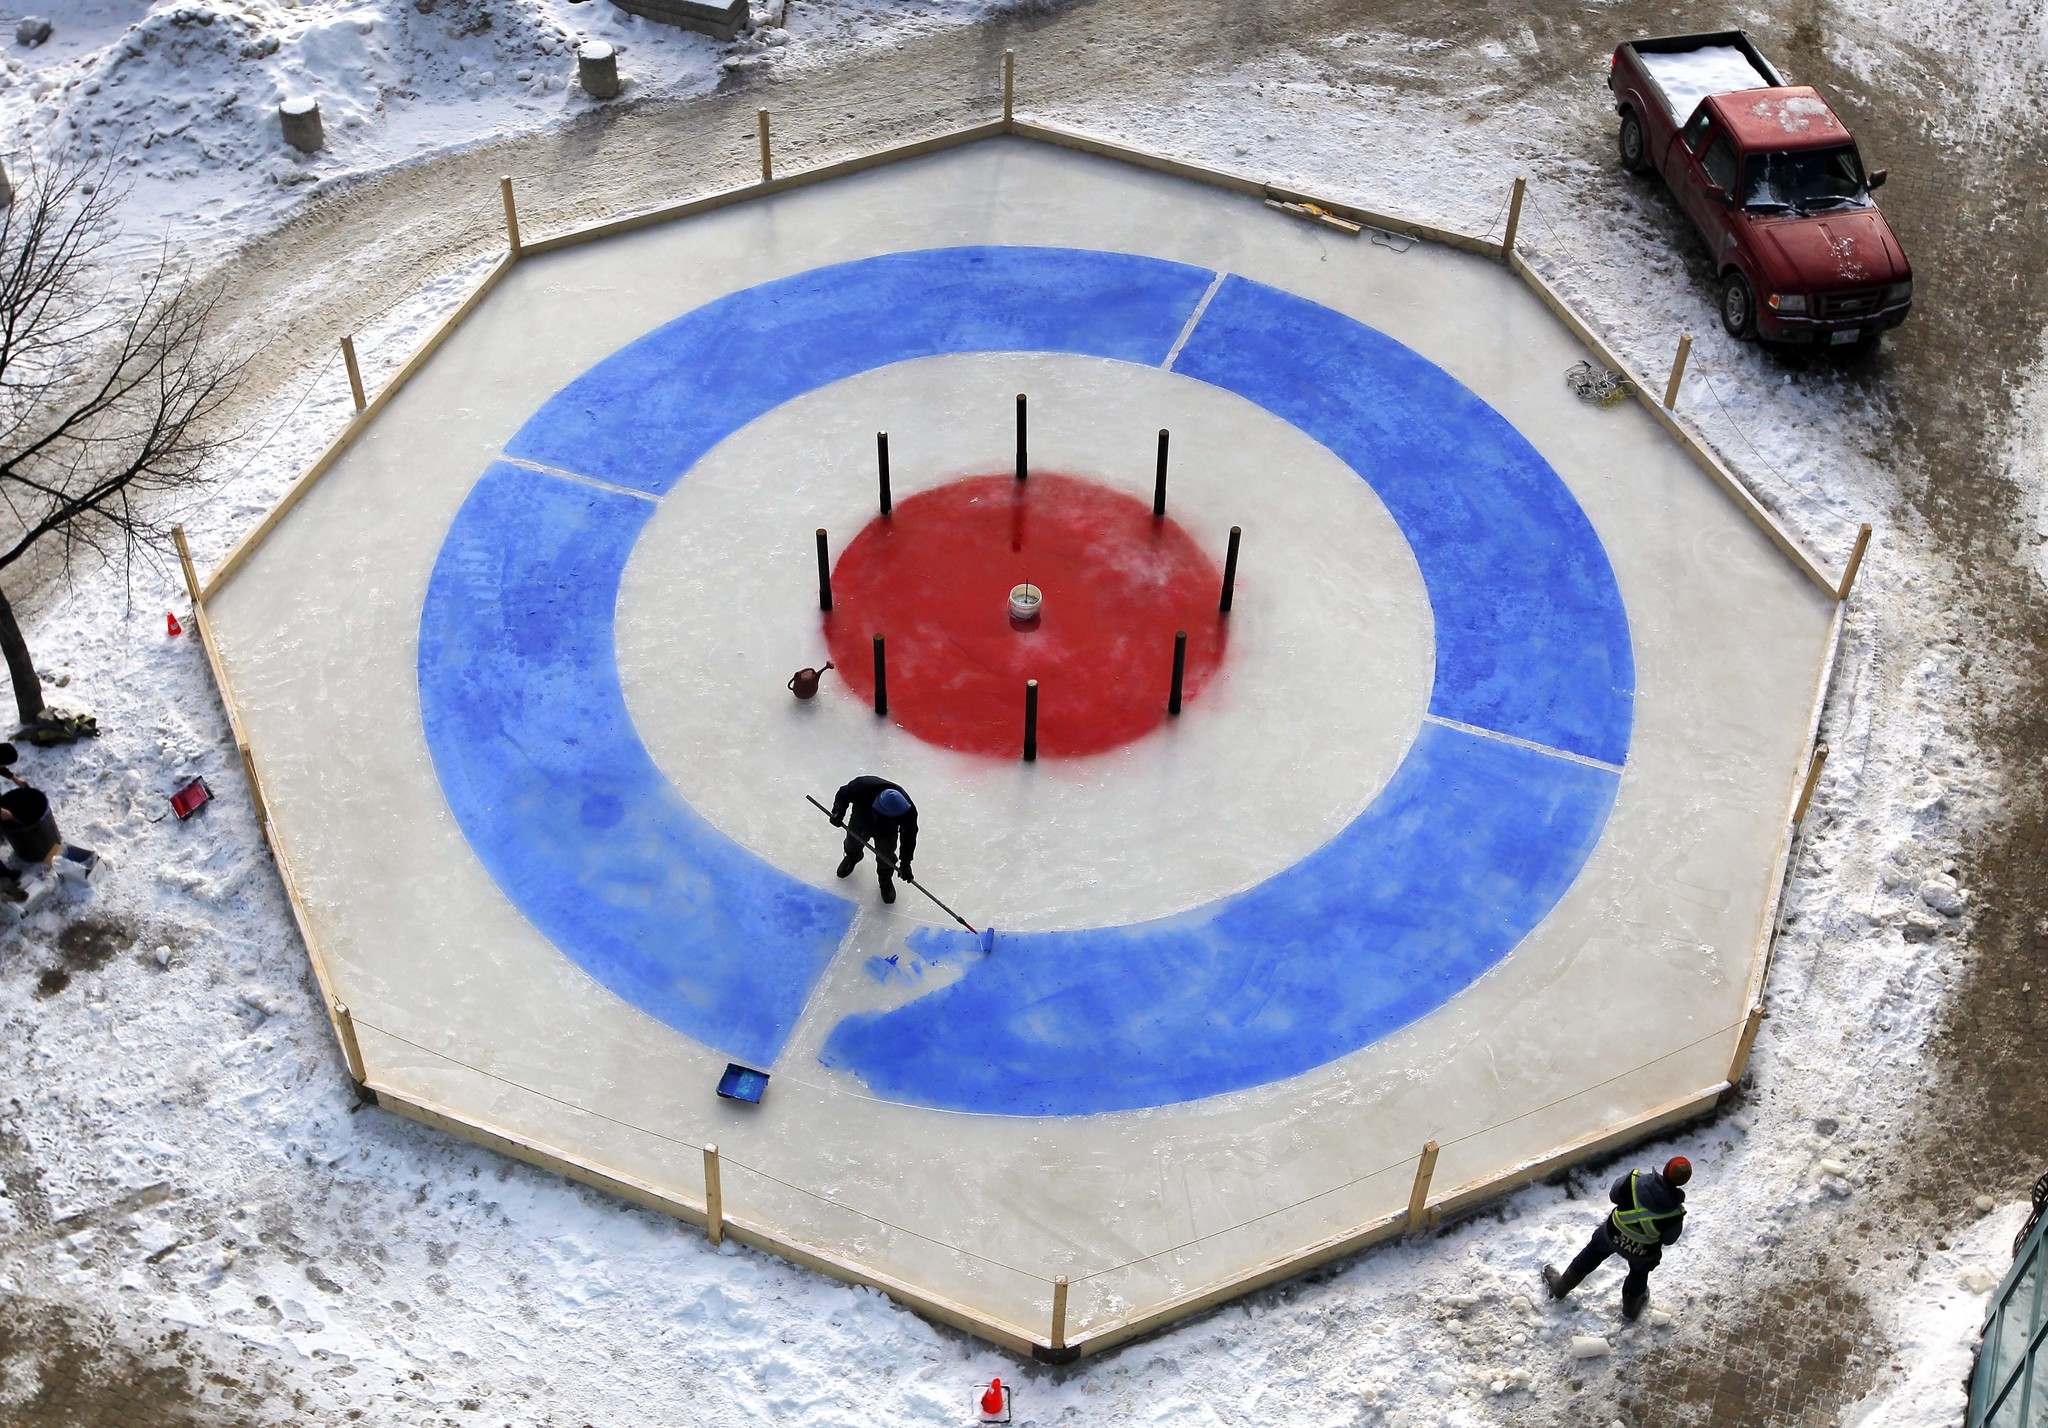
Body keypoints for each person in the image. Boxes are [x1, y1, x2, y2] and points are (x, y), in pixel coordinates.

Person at [1542, 1156, 1691, 1320]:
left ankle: (1560, 1288)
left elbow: (1614, 1195)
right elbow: (1669, 1240)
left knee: (1591, 1254)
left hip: (1611, 1234)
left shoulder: (1634, 1181)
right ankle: (1630, 1310)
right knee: (1639, 1275)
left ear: (1666, 1168)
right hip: (1642, 1252)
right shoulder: (1675, 1214)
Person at [828, 775, 918, 905]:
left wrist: (905, 863)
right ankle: (852, 857)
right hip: (862, 816)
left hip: (887, 829)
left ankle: (885, 879)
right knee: (852, 842)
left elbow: (909, 836)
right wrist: (838, 812)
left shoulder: (908, 811)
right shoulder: (862, 786)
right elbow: (843, 793)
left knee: (886, 855)